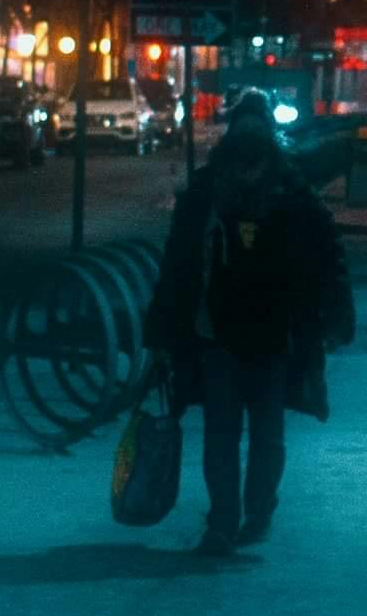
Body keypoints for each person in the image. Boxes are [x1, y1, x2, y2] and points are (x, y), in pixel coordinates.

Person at [149, 88, 354, 556]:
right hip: (265, 336)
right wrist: (334, 320)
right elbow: (329, 260)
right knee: (264, 434)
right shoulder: (292, 190)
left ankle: (226, 521)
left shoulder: (210, 190)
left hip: (224, 335)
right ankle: (251, 515)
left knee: (228, 435)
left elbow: (176, 267)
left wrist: (161, 332)